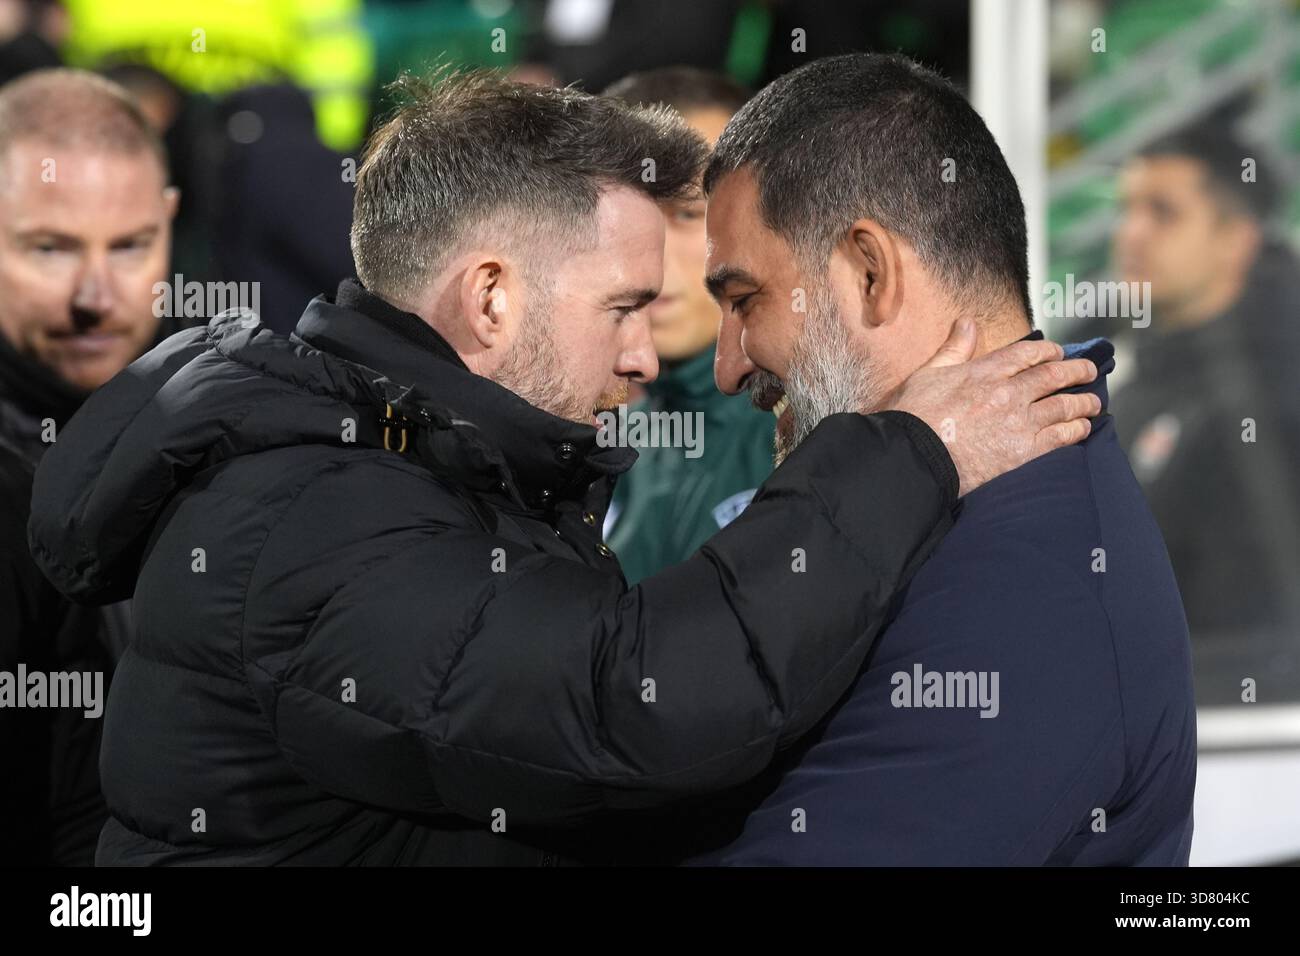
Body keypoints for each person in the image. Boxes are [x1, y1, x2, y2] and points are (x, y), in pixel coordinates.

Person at [28, 70, 1098, 866]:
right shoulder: (317, 510)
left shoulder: (413, 460)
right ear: (492, 297)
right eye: (625, 307)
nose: (649, 352)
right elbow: (632, 705)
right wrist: (914, 448)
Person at [680, 53, 1195, 865]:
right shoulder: (943, 517)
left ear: (869, 271)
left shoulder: (1027, 584)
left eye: (745, 301)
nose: (728, 365)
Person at [0, 68, 177, 864]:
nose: (96, 295)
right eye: (51, 249)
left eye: (132, 245)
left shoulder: (195, 431)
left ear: (170, 222)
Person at [1109, 127, 1300, 661]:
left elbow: (1254, 649)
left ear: (1235, 240)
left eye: (1163, 213)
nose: (1132, 234)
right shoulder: (1143, 376)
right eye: (1128, 210)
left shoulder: (1273, 404)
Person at [601, 66, 774, 582]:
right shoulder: (594, 452)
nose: (647, 257)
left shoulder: (822, 438)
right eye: (626, 218)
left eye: (685, 215)